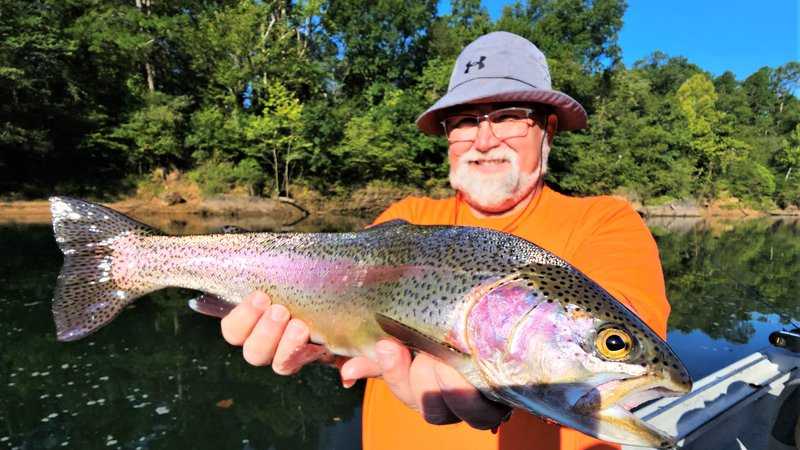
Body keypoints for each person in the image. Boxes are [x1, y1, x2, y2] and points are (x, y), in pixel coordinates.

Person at [219, 31, 671, 450]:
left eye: (511, 117)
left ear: (547, 130)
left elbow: (627, 313)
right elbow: (348, 332)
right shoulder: (405, 221)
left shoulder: (605, 221)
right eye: (466, 121)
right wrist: (311, 347)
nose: (486, 139)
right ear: (448, 137)